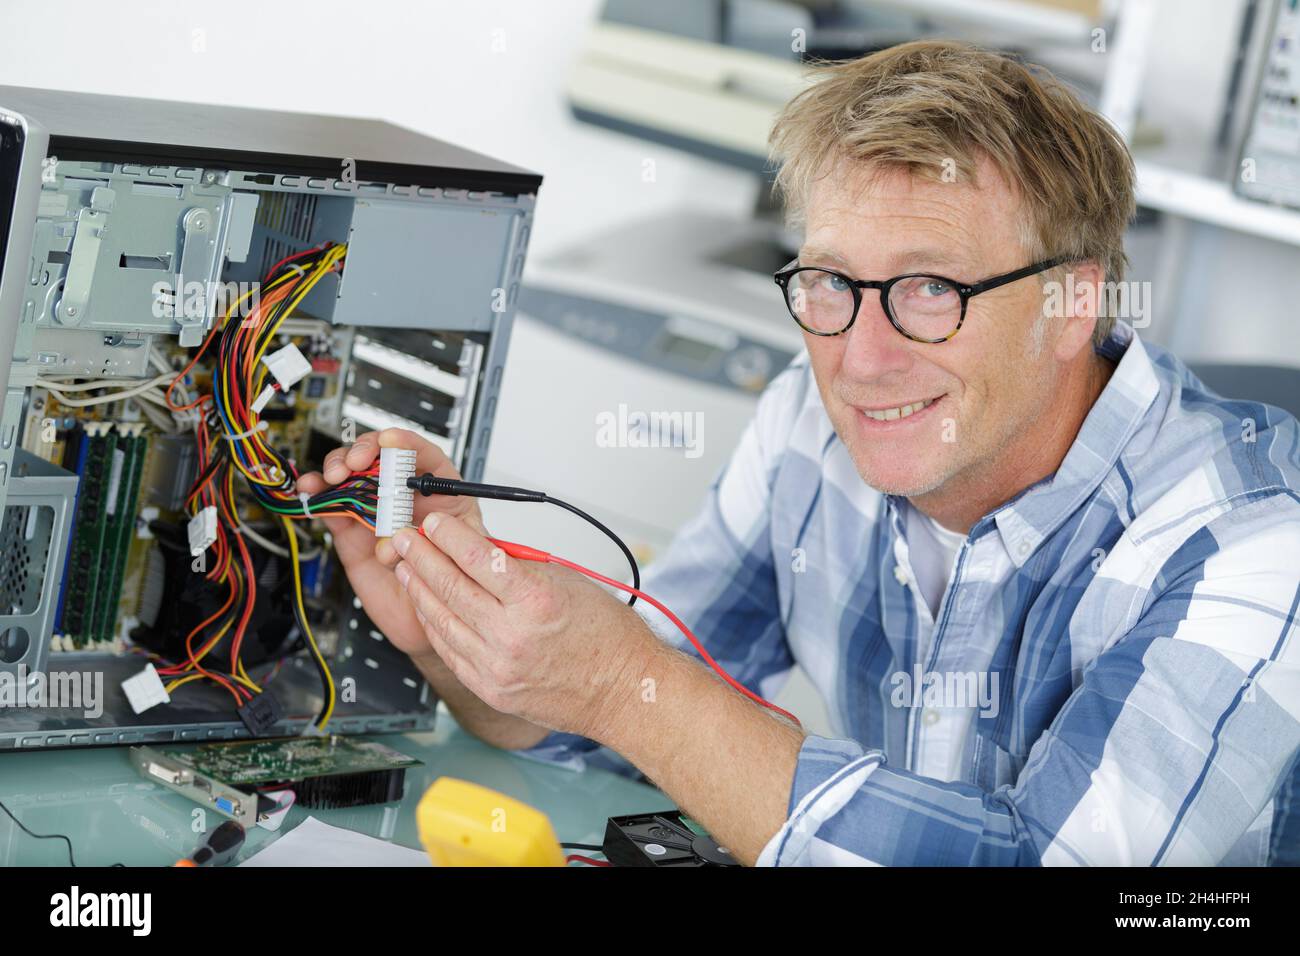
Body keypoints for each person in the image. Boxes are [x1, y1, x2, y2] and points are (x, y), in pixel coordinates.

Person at [298, 40, 1300, 866]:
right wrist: (449, 620)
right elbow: (585, 723)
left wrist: (620, 683)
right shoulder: (807, 430)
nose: (858, 360)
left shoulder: (1246, 544)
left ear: (1072, 303)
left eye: (929, 290)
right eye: (829, 281)